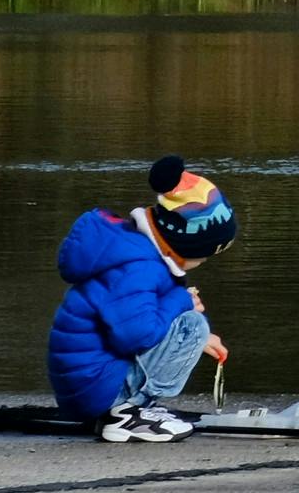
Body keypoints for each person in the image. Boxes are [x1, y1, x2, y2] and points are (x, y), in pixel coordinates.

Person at [50, 157, 239, 443]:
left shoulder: (133, 251)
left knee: (192, 325)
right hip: (95, 388)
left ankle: (123, 406)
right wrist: (182, 303)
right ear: (185, 245)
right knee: (191, 323)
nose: (203, 262)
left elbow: (137, 315)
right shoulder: (139, 267)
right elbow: (137, 335)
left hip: (88, 382)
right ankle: (124, 414)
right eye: (205, 256)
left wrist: (198, 338)